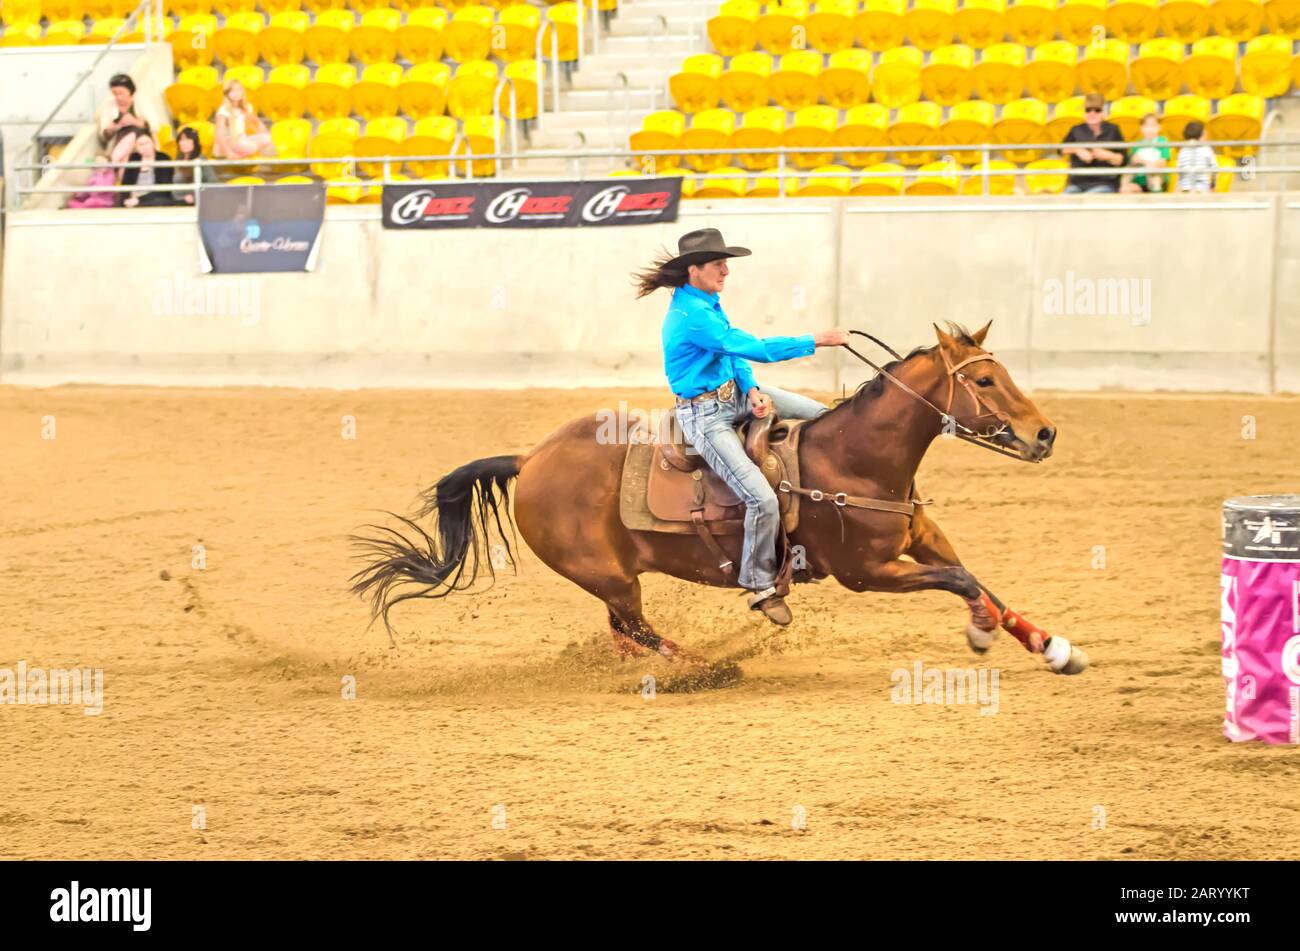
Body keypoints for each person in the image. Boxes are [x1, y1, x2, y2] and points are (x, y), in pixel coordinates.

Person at [633, 228, 849, 626]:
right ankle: (759, 583)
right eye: (719, 264)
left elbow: (735, 357)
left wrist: (750, 390)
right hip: (705, 416)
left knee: (824, 418)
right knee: (760, 499)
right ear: (694, 270)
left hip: (734, 396)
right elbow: (754, 347)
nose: (726, 271)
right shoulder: (692, 316)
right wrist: (816, 340)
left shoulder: (706, 302)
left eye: (725, 263)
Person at [96, 74, 166, 184]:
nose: (118, 97)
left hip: (142, 142)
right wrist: (114, 127)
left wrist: (134, 121)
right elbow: (104, 135)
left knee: (134, 133)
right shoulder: (109, 106)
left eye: (121, 93)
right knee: (126, 157)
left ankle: (114, 160)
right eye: (115, 94)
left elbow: (154, 126)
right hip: (117, 141)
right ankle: (120, 168)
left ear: (130, 91)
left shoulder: (142, 102)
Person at [1060, 93, 1127, 194]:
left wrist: (1108, 156)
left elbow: (1123, 159)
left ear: (1103, 112)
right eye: (1088, 110)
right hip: (1078, 182)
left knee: (1089, 198)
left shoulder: (1113, 130)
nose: (1092, 114)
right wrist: (1077, 150)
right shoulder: (1076, 130)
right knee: (1066, 197)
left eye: (1097, 110)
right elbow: (1061, 149)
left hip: (1105, 182)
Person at [213, 80, 275, 161]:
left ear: (242, 92)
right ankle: (238, 154)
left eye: (238, 90)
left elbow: (257, 123)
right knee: (252, 147)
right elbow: (219, 136)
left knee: (268, 138)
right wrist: (229, 153)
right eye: (232, 91)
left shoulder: (246, 107)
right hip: (228, 142)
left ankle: (244, 152)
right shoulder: (224, 111)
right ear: (227, 94)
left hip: (241, 139)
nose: (236, 93)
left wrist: (263, 134)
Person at [119, 130, 175, 207]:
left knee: (161, 201)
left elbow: (164, 189)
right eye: (140, 144)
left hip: (155, 199)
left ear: (153, 143)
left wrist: (139, 200)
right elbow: (125, 184)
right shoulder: (134, 158)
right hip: (133, 199)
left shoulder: (163, 158)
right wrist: (128, 200)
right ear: (136, 147)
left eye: (147, 143)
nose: (144, 147)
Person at [1122, 113, 1170, 194]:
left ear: (1159, 127)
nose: (1150, 129)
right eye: (1146, 126)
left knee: (1153, 174)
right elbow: (1133, 162)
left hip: (1157, 179)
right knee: (1126, 179)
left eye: (1153, 126)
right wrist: (1134, 161)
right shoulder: (1137, 144)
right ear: (1141, 128)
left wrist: (1147, 163)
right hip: (1139, 180)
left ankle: (1156, 202)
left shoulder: (1162, 141)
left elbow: (1163, 162)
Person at [172, 126, 218, 205]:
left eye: (188, 140)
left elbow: (212, 182)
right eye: (182, 140)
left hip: (193, 202)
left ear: (195, 142)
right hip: (177, 201)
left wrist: (195, 196)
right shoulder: (178, 159)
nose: (184, 143)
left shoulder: (201, 159)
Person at [1176, 120, 1218, 194]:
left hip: (1185, 188)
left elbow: (1179, 172)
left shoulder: (1182, 151)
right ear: (1202, 135)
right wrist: (1213, 185)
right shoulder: (1206, 149)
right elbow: (1214, 169)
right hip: (1202, 188)